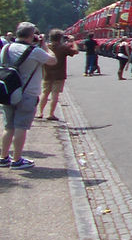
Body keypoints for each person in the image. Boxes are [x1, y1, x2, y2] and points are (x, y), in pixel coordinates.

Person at [1, 22, 56, 169]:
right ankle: (17, 160)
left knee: (8, 127)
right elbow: (53, 60)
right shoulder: (35, 51)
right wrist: (44, 45)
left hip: (7, 92)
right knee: (21, 127)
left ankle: (3, 157)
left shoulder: (6, 47)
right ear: (32, 36)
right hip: (27, 93)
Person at [37, 29, 78, 121]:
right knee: (55, 94)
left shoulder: (46, 47)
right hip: (59, 74)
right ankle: (50, 114)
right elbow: (75, 51)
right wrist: (72, 41)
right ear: (60, 38)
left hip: (47, 74)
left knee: (44, 93)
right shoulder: (63, 47)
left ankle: (40, 112)